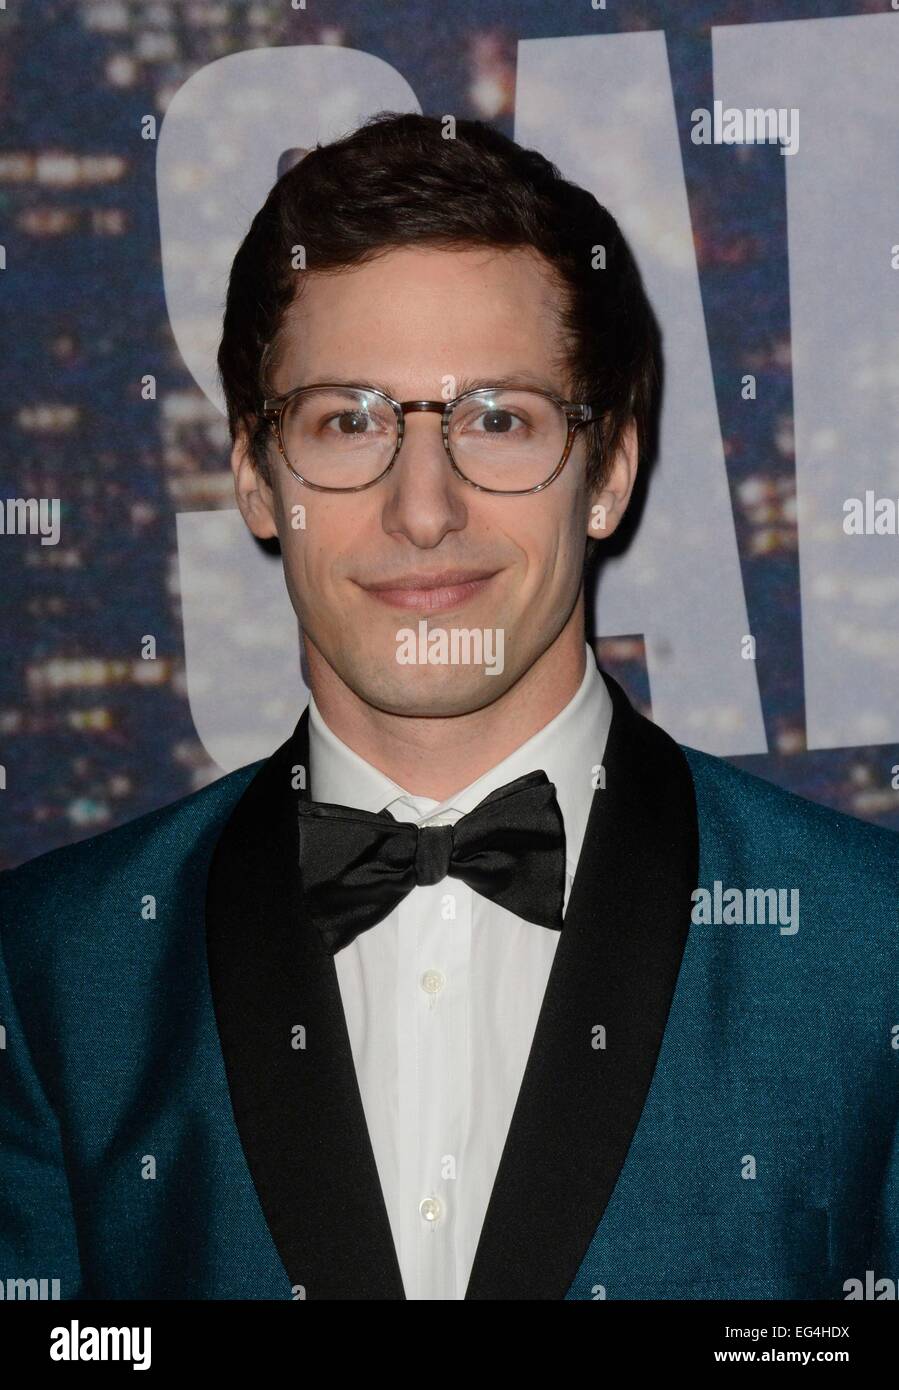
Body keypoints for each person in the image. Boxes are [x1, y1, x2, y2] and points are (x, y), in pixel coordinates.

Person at [1, 111, 897, 1303]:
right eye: (346, 421)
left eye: (496, 419)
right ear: (254, 478)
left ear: (609, 470)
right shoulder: (56, 967)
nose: (423, 507)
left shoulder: (869, 950)